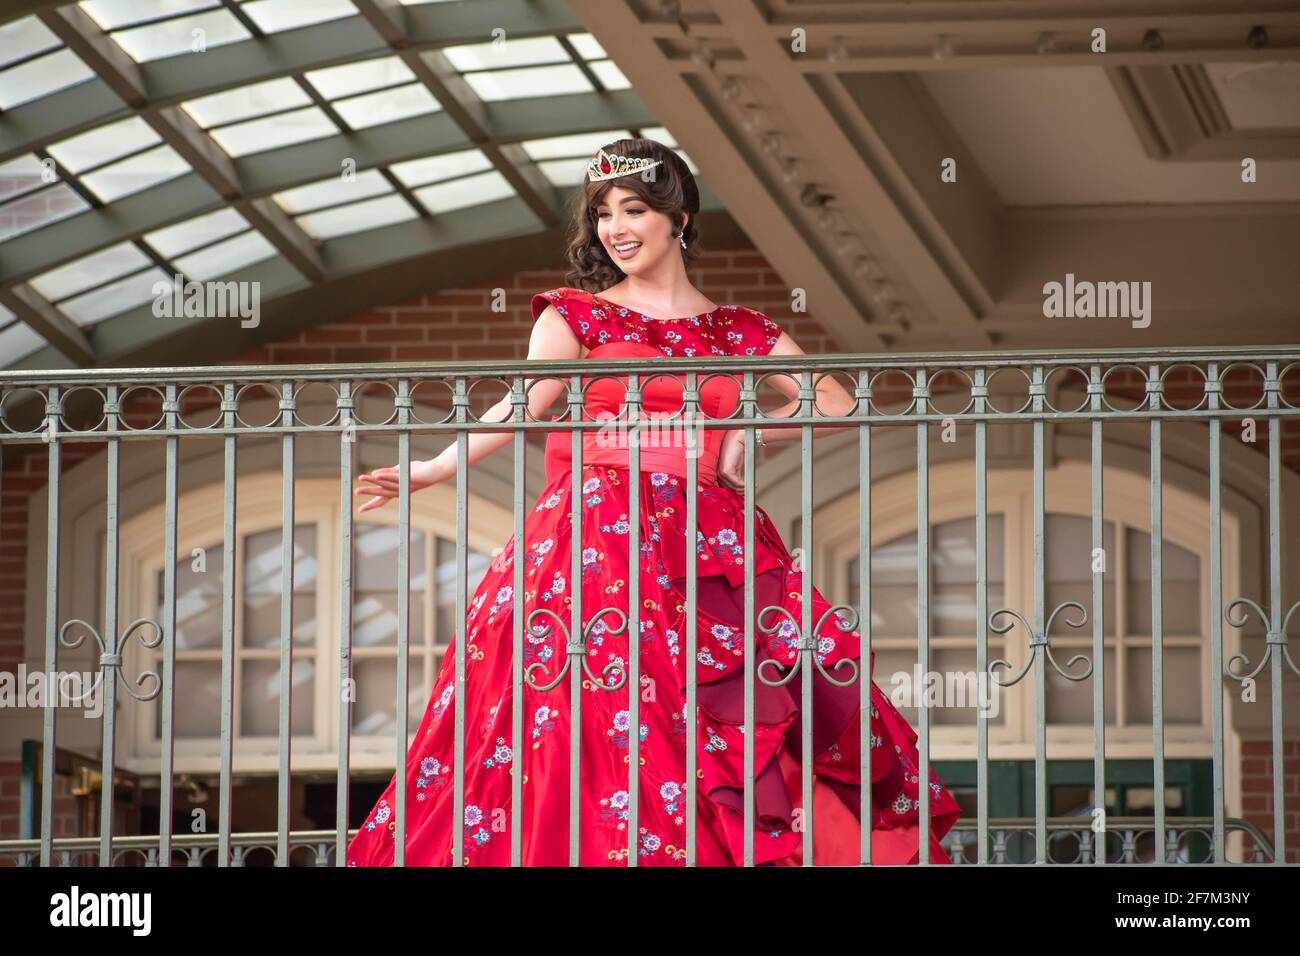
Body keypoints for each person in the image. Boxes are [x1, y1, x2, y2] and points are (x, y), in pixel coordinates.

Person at [345, 138, 961, 866]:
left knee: (763, 686)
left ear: (681, 218)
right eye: (603, 214)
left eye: (633, 209)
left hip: (711, 539)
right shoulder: (577, 314)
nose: (615, 228)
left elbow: (837, 404)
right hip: (597, 534)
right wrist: (438, 465)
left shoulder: (738, 329)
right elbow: (523, 403)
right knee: (593, 710)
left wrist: (751, 433)